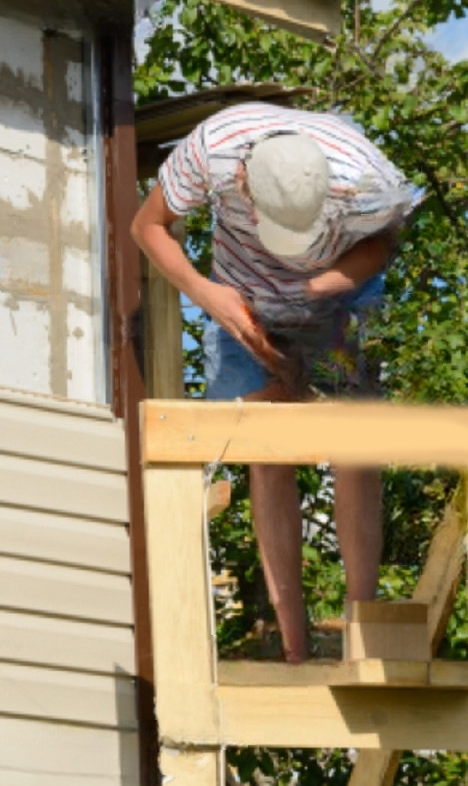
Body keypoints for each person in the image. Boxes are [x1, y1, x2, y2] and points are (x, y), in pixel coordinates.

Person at [130, 102, 416, 663]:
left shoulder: (366, 177)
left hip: (337, 295)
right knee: (264, 443)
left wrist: (319, 296)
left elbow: (383, 244)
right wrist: (207, 295)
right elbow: (148, 226)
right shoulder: (213, 150)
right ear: (242, 181)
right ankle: (294, 647)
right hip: (241, 298)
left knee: (354, 440)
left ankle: (361, 635)